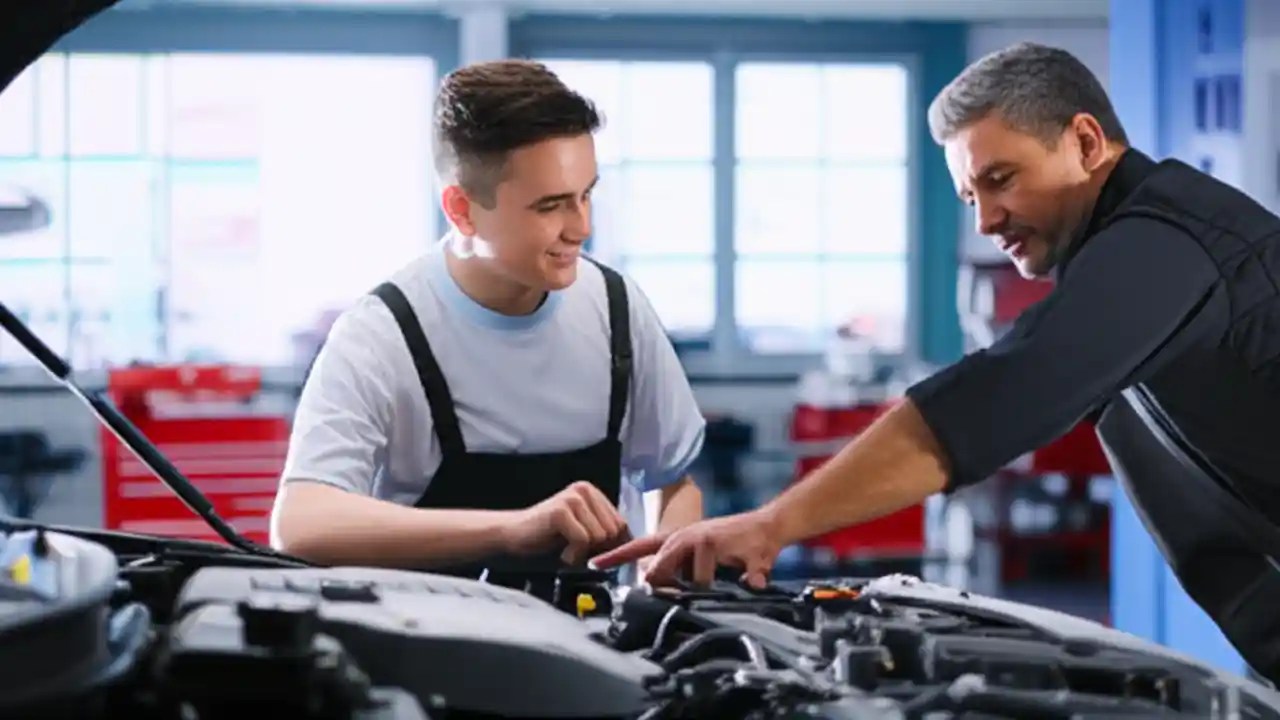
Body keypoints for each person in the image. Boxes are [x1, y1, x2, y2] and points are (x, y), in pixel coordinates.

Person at [593, 42, 1280, 680]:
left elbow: (998, 398)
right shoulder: (1115, 283)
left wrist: (768, 526)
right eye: (970, 196)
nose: (985, 220)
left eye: (1001, 179)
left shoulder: (1168, 243)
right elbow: (1210, 545)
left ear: (1085, 142)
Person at [270, 59, 706, 579]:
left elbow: (672, 482)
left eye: (586, 194)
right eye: (550, 206)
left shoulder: (617, 309)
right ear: (462, 210)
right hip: (427, 626)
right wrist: (511, 529)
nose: (581, 227)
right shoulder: (383, 335)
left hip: (593, 628)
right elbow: (301, 524)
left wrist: (661, 572)